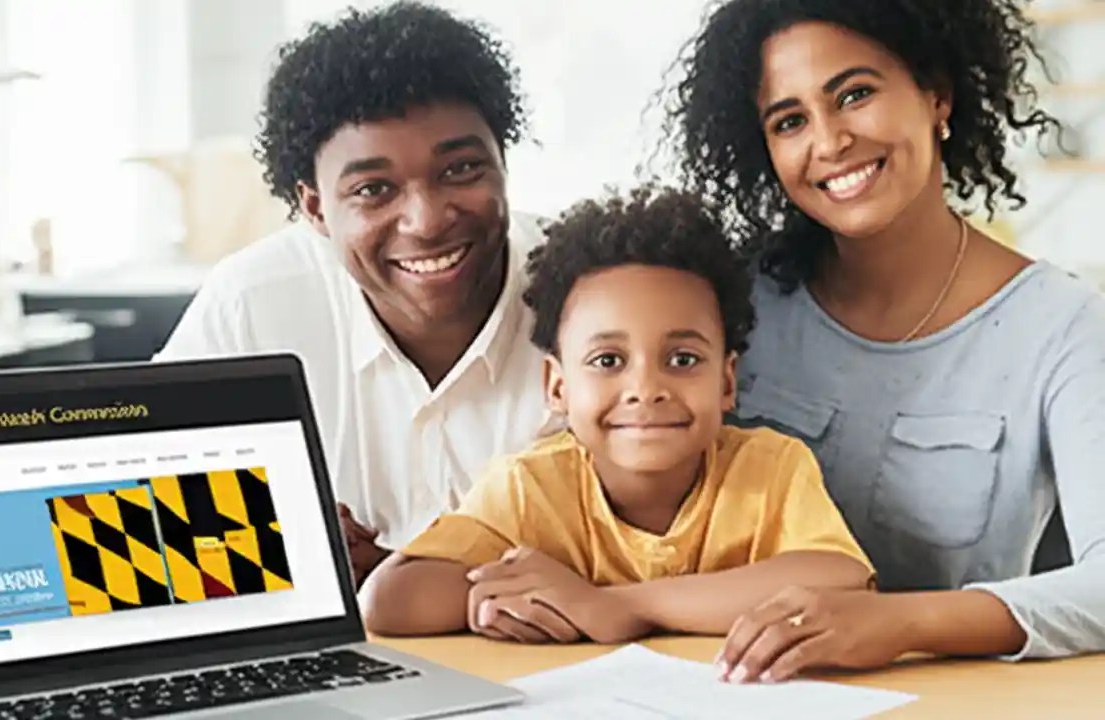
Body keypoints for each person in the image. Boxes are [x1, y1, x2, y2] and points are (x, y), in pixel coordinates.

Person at [659, 0, 1105, 683]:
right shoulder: (730, 301)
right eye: (790, 121)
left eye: (856, 94)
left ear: (937, 96)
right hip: (720, 690)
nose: (830, 141)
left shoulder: (1064, 326)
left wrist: (899, 623)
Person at [361, 185, 873, 643]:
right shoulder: (530, 487)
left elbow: (843, 579)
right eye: (608, 362)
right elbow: (390, 601)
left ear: (726, 382)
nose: (646, 389)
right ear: (557, 387)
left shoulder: (771, 467)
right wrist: (505, 594)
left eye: (683, 360)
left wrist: (619, 605)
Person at [156, 2, 553, 587]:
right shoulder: (254, 304)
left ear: (502, 163)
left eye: (462, 169)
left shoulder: (596, 290)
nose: (425, 220)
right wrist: (269, 544)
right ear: (315, 207)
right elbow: (133, 510)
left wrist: (403, 576)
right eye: (374, 189)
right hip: (342, 662)